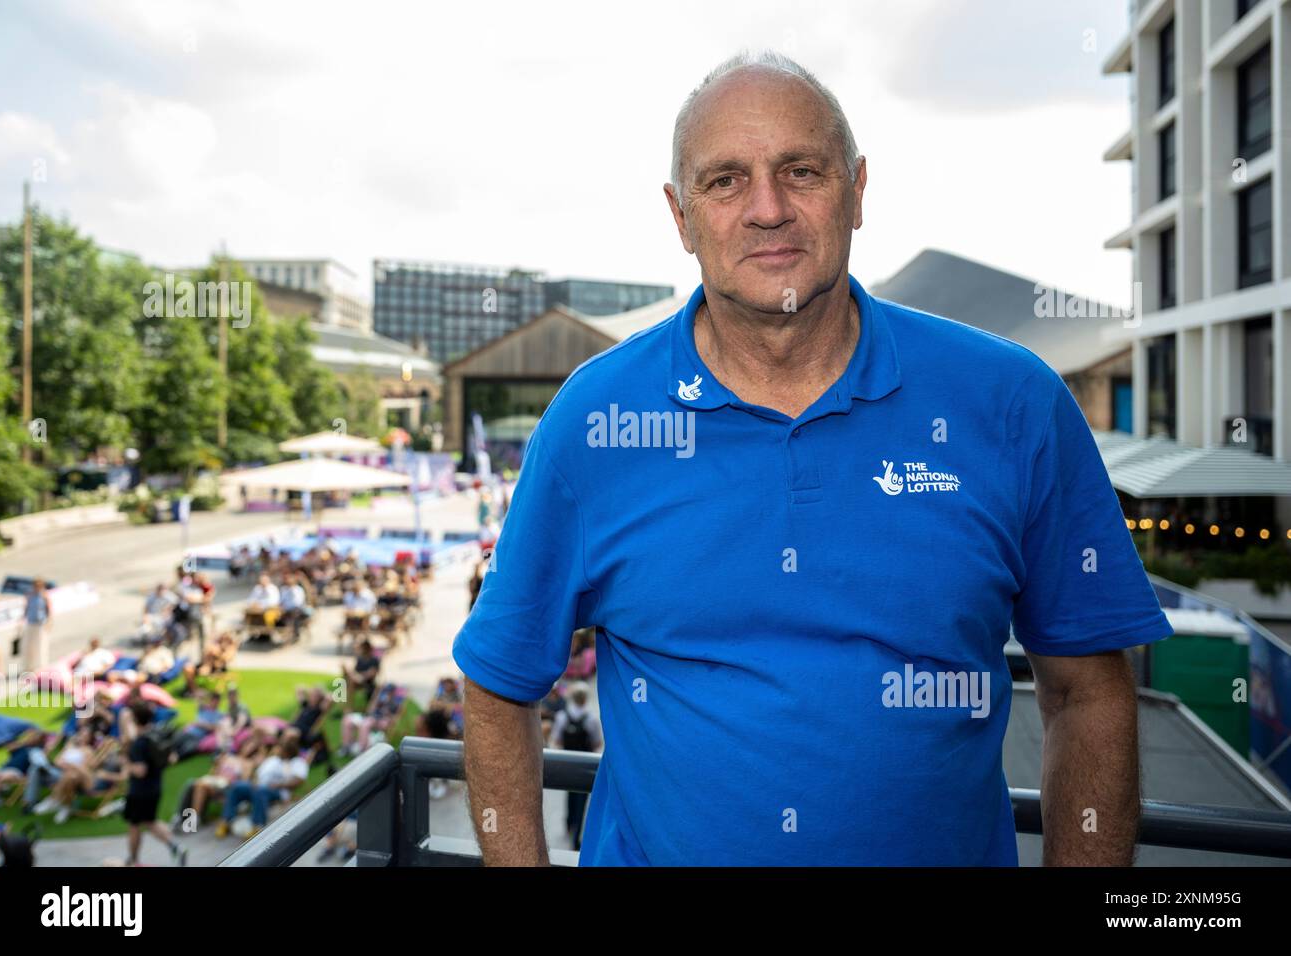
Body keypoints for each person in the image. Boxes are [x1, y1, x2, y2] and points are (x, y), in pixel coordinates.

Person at [451, 51, 1174, 867]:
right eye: (725, 180)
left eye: (802, 170)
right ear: (681, 216)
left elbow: (1089, 693)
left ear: (857, 190)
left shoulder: (1014, 403)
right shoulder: (594, 419)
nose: (768, 209)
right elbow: (498, 682)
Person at [123, 700, 188, 866]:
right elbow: (170, 759)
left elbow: (140, 770)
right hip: (155, 787)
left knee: (135, 825)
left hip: (139, 791)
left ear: (135, 720)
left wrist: (126, 763)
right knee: (150, 822)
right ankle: (176, 847)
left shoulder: (139, 743)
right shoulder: (156, 735)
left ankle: (134, 861)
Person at [217, 731, 309, 840]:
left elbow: (299, 780)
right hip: (258, 786)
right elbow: (258, 774)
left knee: (260, 791)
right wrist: (254, 782)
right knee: (237, 786)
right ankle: (227, 820)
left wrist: (279, 785)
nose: (277, 750)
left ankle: (257, 825)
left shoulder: (298, 762)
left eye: (281, 748)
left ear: (288, 751)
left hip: (278, 791)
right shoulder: (272, 760)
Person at [549, 682, 603, 851]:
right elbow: (597, 742)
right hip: (585, 764)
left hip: (567, 763)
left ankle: (569, 823)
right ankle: (576, 835)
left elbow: (556, 740)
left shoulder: (562, 716)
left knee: (570, 795)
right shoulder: (591, 719)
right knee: (582, 800)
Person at [22, 578, 51, 673]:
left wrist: (49, 622)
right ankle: (29, 667)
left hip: (40, 623)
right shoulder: (30, 595)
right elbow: (26, 608)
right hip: (31, 622)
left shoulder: (44, 596)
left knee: (41, 646)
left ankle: (42, 667)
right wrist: (22, 619)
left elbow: (49, 610)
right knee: (28, 646)